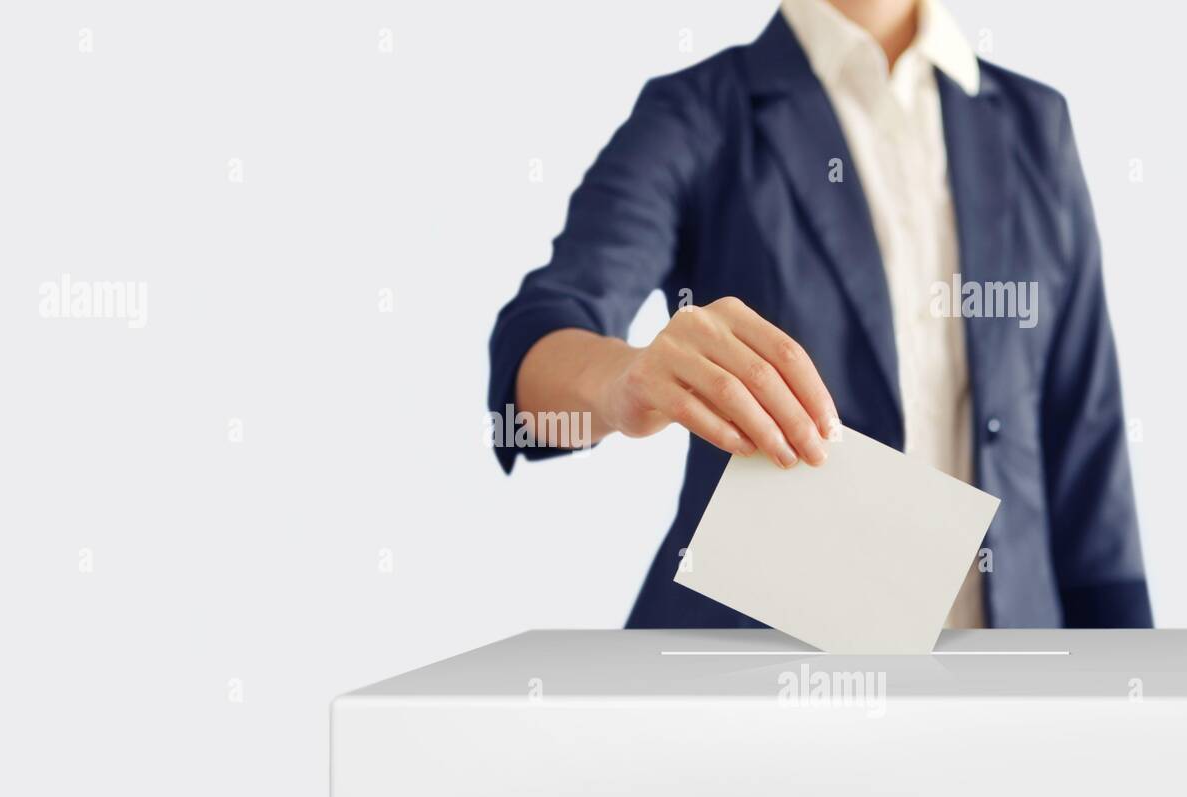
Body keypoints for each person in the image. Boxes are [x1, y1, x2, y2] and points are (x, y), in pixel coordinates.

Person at [487, 0, 1151, 629]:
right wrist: (623, 379)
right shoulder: (699, 112)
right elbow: (534, 351)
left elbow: (1085, 439)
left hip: (1007, 675)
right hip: (757, 680)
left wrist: (1130, 707)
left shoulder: (1036, 124)